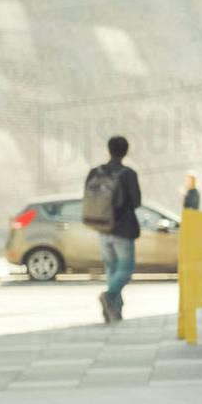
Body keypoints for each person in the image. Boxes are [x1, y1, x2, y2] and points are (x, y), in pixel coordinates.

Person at [87, 135, 141, 323]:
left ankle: (114, 312)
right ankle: (110, 297)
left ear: (108, 150)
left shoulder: (96, 172)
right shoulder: (128, 174)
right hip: (123, 230)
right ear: (125, 151)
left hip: (102, 228)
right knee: (126, 269)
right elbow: (136, 202)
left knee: (112, 270)